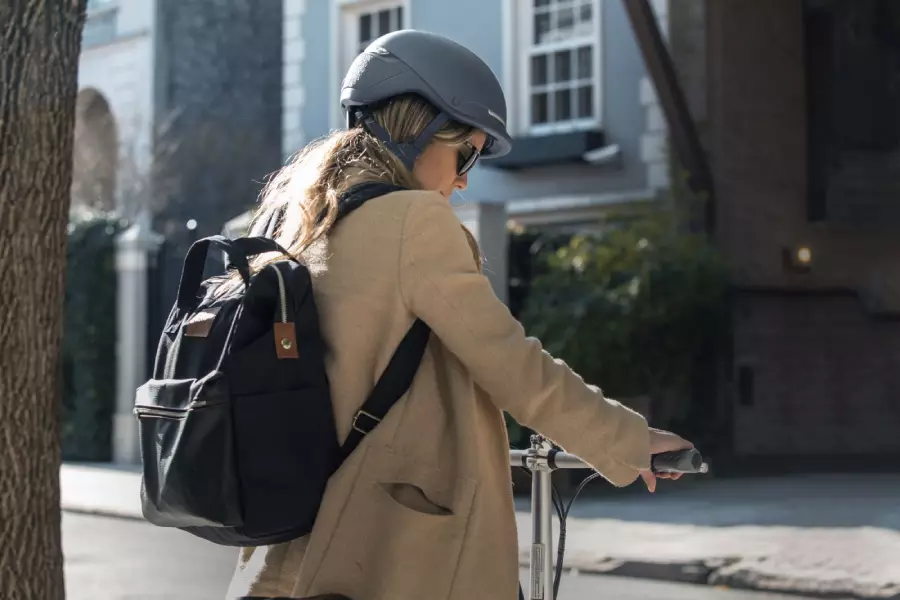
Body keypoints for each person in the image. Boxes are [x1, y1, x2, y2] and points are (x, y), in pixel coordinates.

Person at [227, 29, 693, 600]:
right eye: (466, 151)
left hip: (292, 546)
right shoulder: (413, 222)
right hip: (388, 552)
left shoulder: (301, 221)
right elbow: (515, 368)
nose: (466, 176)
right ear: (419, 133)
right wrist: (629, 440)